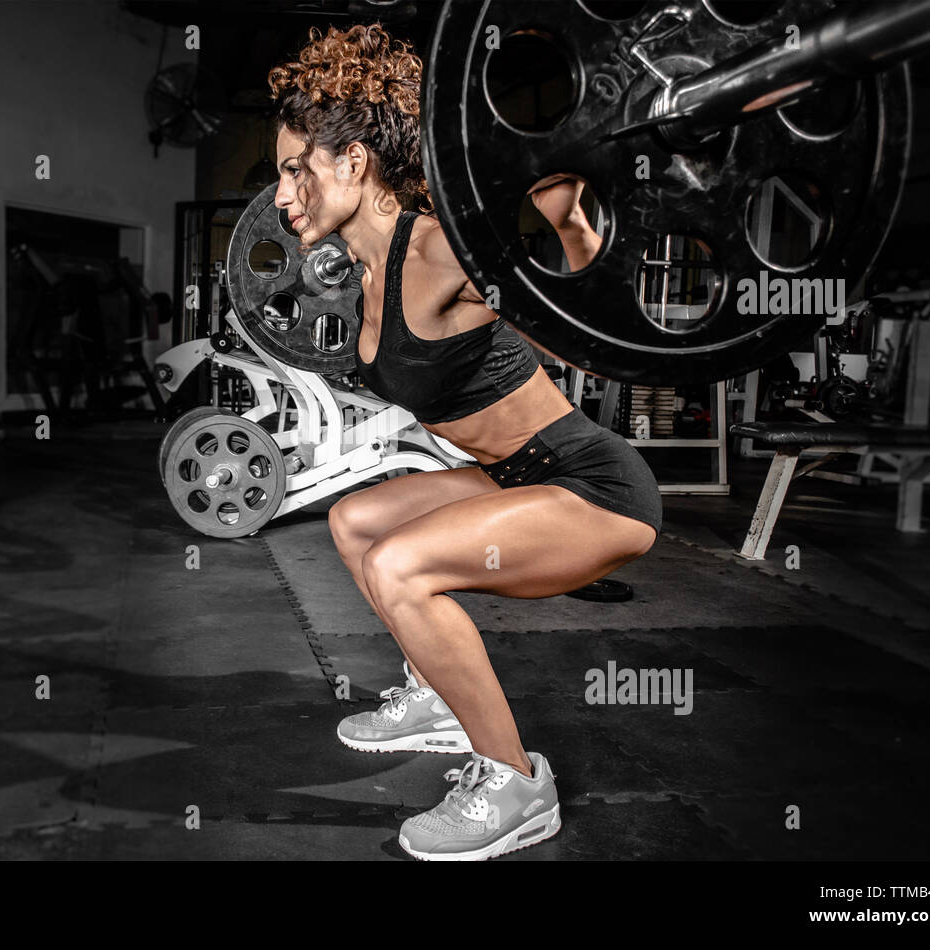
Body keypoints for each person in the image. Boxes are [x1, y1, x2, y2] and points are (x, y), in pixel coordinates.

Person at [268, 23, 662, 861]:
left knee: (398, 566)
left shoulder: (441, 249)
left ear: (354, 163)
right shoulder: (362, 271)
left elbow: (588, 328)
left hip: (593, 488)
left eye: (295, 168)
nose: (282, 194)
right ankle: (438, 696)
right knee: (356, 524)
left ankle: (516, 782)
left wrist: (574, 230)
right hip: (509, 477)